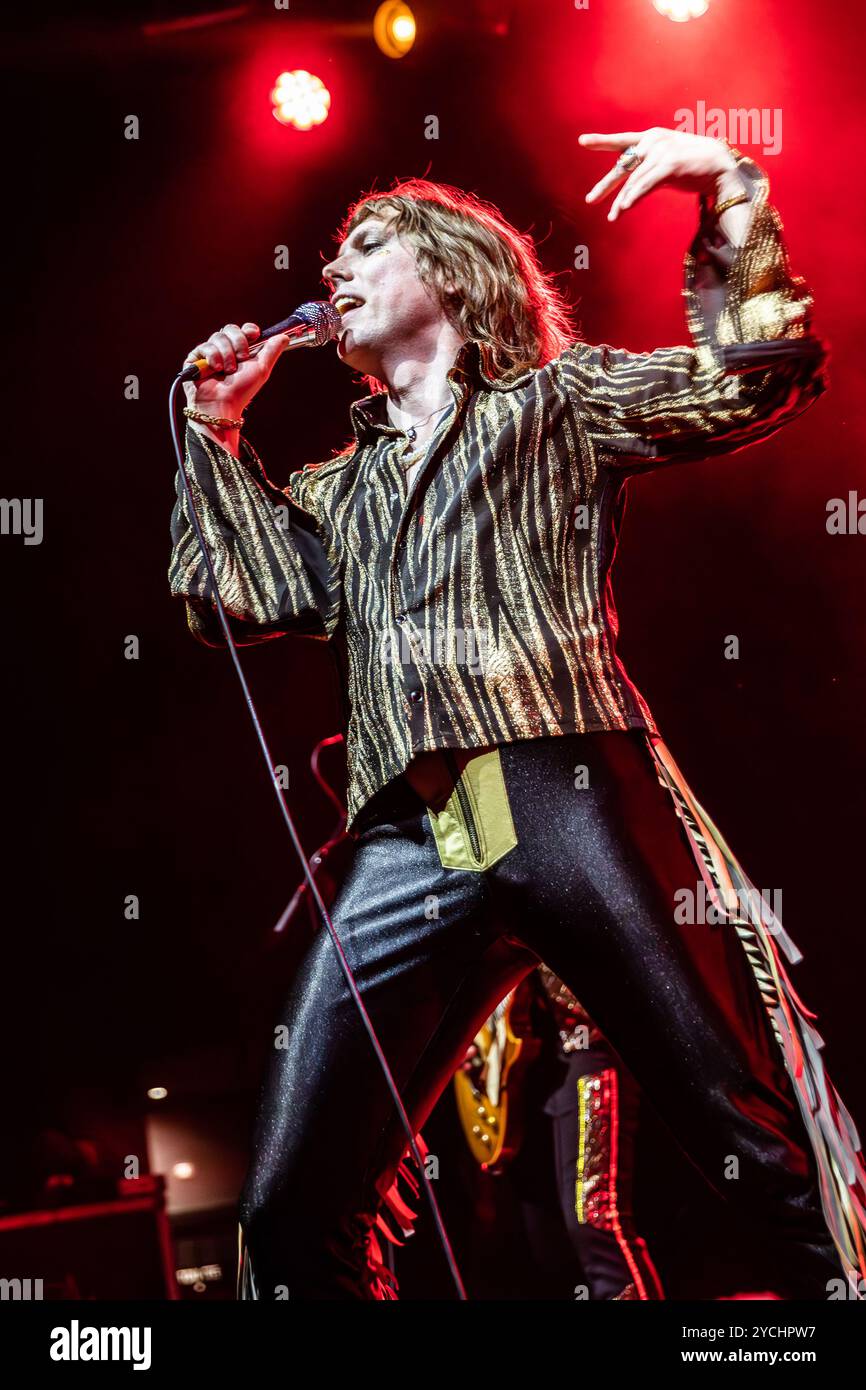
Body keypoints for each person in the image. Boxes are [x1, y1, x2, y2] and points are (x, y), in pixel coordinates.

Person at [168, 126, 866, 1300]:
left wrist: (729, 188)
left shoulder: (555, 403)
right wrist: (214, 432)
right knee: (289, 1213)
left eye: (366, 244)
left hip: (565, 786)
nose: (332, 268)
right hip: (406, 838)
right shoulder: (338, 488)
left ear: (453, 273)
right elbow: (233, 600)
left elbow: (755, 377)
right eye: (334, 252)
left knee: (750, 1140)